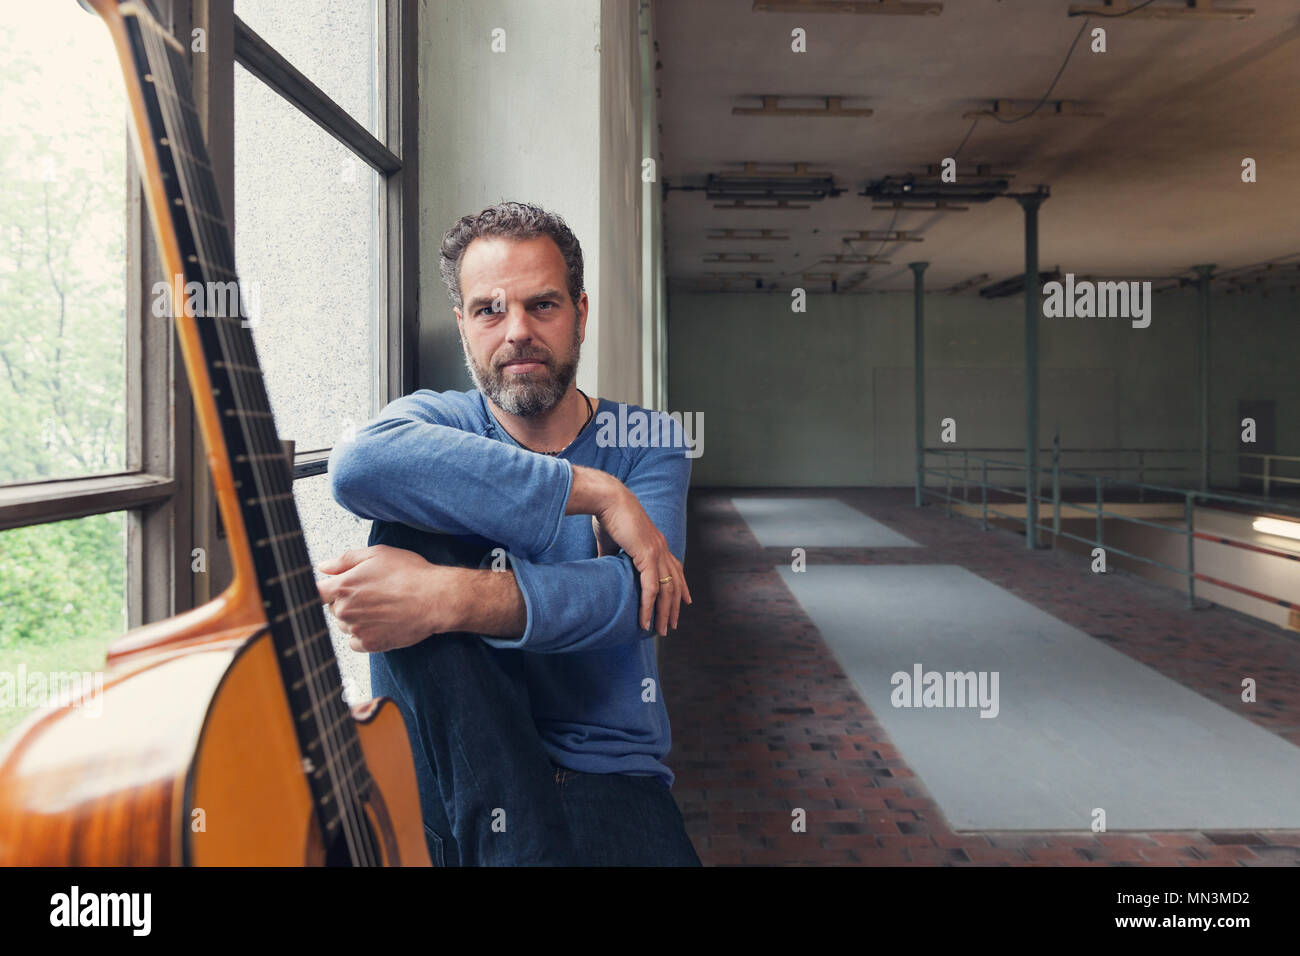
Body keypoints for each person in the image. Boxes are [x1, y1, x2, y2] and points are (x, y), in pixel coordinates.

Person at [316, 201, 700, 866]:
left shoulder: (647, 440)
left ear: (581, 313)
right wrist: (592, 492)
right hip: (448, 771)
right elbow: (357, 466)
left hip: (603, 771)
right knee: (408, 515)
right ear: (465, 326)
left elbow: (635, 604)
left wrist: (446, 599)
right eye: (490, 310)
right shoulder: (436, 422)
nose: (517, 331)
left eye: (542, 306)